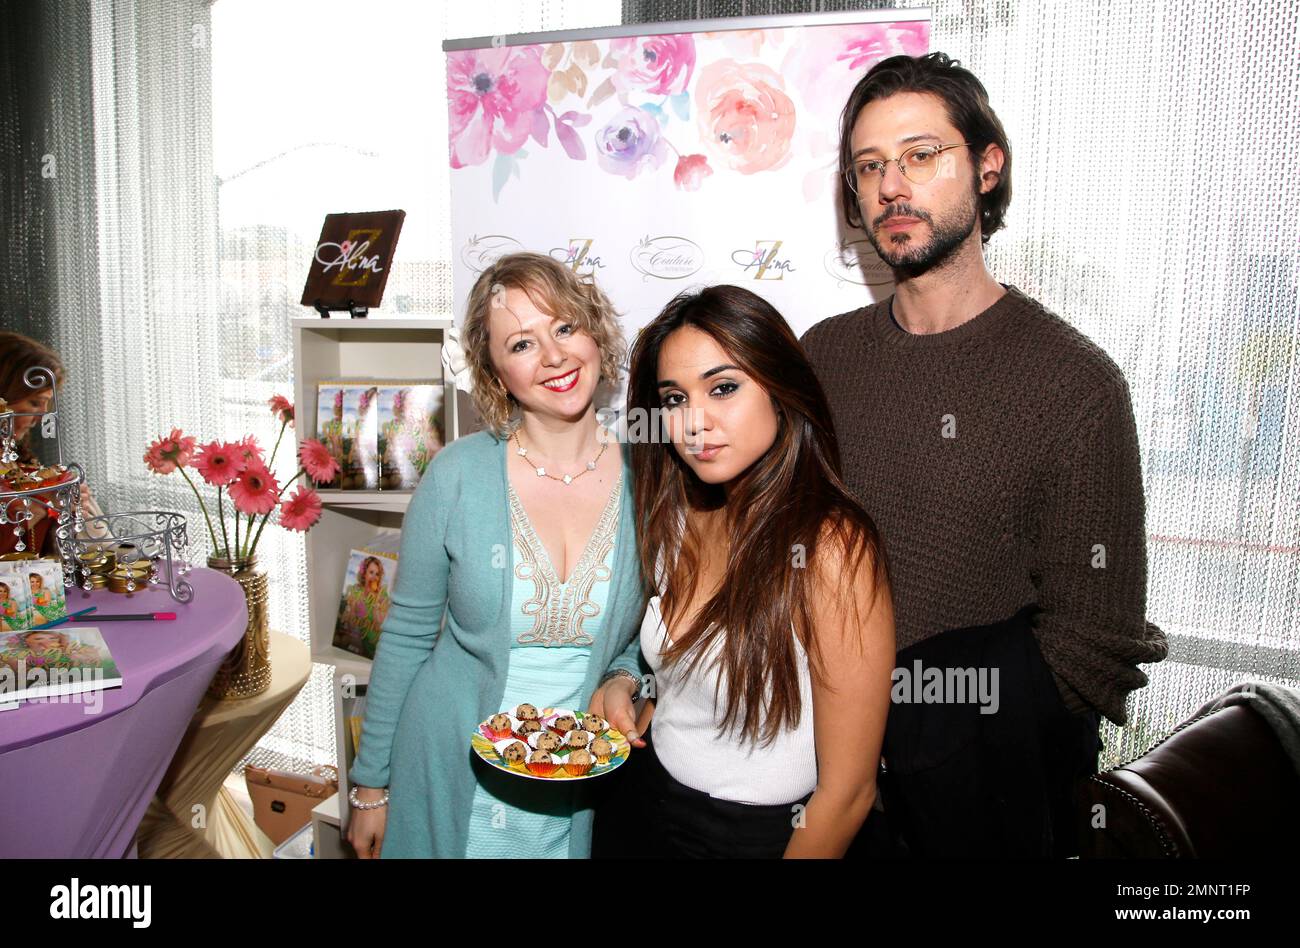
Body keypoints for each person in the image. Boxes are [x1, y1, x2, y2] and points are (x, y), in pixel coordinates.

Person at [799, 52, 1169, 857]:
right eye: (870, 167)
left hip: (975, 806)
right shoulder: (821, 358)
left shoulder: (1076, 386)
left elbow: (1092, 648)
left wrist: (923, 710)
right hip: (813, 777)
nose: (893, 186)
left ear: (988, 166)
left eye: (922, 155)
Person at [346, 252, 648, 858]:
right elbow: (405, 636)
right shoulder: (457, 474)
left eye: (564, 327)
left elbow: (646, 634)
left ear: (595, 329)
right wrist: (371, 786)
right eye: (522, 344)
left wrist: (623, 676)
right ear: (494, 370)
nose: (555, 356)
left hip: (575, 788)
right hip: (450, 774)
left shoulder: (653, 479)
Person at [593, 284, 895, 858]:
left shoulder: (832, 547)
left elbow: (848, 792)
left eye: (723, 388)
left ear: (781, 390)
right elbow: (683, 675)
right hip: (646, 804)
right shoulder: (678, 512)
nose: (693, 422)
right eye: (674, 399)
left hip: (763, 838)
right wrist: (627, 686)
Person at [0, 331, 107, 557]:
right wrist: (41, 507)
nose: (42, 417)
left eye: (47, 404)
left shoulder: (15, 461)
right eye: (35, 403)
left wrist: (64, 506)